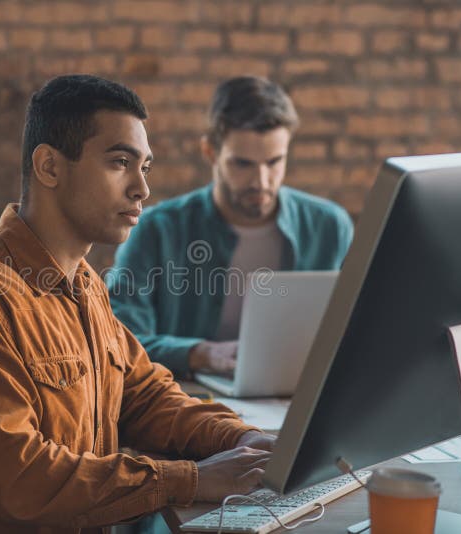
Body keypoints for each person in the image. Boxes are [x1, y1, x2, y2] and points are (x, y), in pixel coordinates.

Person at [0, 74, 276, 534]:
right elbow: (17, 480)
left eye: (144, 167)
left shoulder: (84, 286)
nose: (141, 190)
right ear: (49, 167)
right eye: (119, 163)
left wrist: (244, 439)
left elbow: (145, 397)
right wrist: (190, 480)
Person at [108, 76, 354, 379]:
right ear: (211, 152)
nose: (261, 182)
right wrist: (200, 354)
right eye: (243, 164)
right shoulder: (157, 230)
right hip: (188, 403)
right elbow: (119, 342)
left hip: (293, 400)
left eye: (275, 162)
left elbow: (357, 334)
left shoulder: (330, 227)